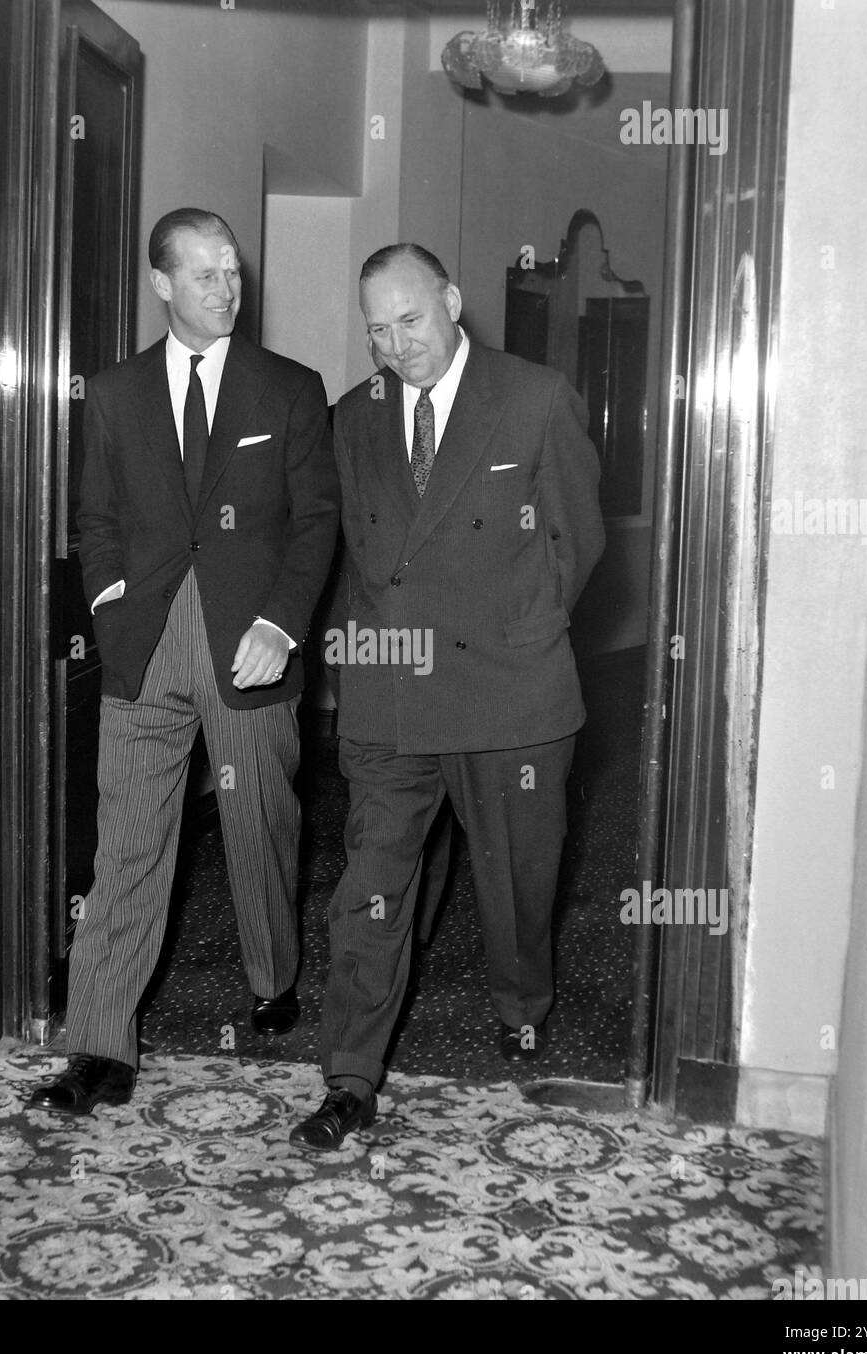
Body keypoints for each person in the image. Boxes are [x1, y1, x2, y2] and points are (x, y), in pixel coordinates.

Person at [290, 243, 604, 1151]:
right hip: (393, 697)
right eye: (377, 331)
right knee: (369, 888)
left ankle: (521, 1001)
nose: (396, 346)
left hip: (510, 690)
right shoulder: (354, 417)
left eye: (410, 321)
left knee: (516, 884)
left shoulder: (535, 396)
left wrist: (519, 626)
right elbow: (351, 553)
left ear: (452, 302)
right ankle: (348, 1077)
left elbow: (575, 542)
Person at [30, 208, 339, 1116]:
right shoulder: (115, 392)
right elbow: (96, 518)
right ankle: (98, 1046)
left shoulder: (287, 387)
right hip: (145, 640)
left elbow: (317, 521)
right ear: (161, 284)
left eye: (232, 272)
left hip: (249, 645)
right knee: (126, 841)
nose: (225, 289)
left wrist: (281, 626)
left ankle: (273, 975)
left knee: (259, 824)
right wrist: (111, 603)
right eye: (203, 275)